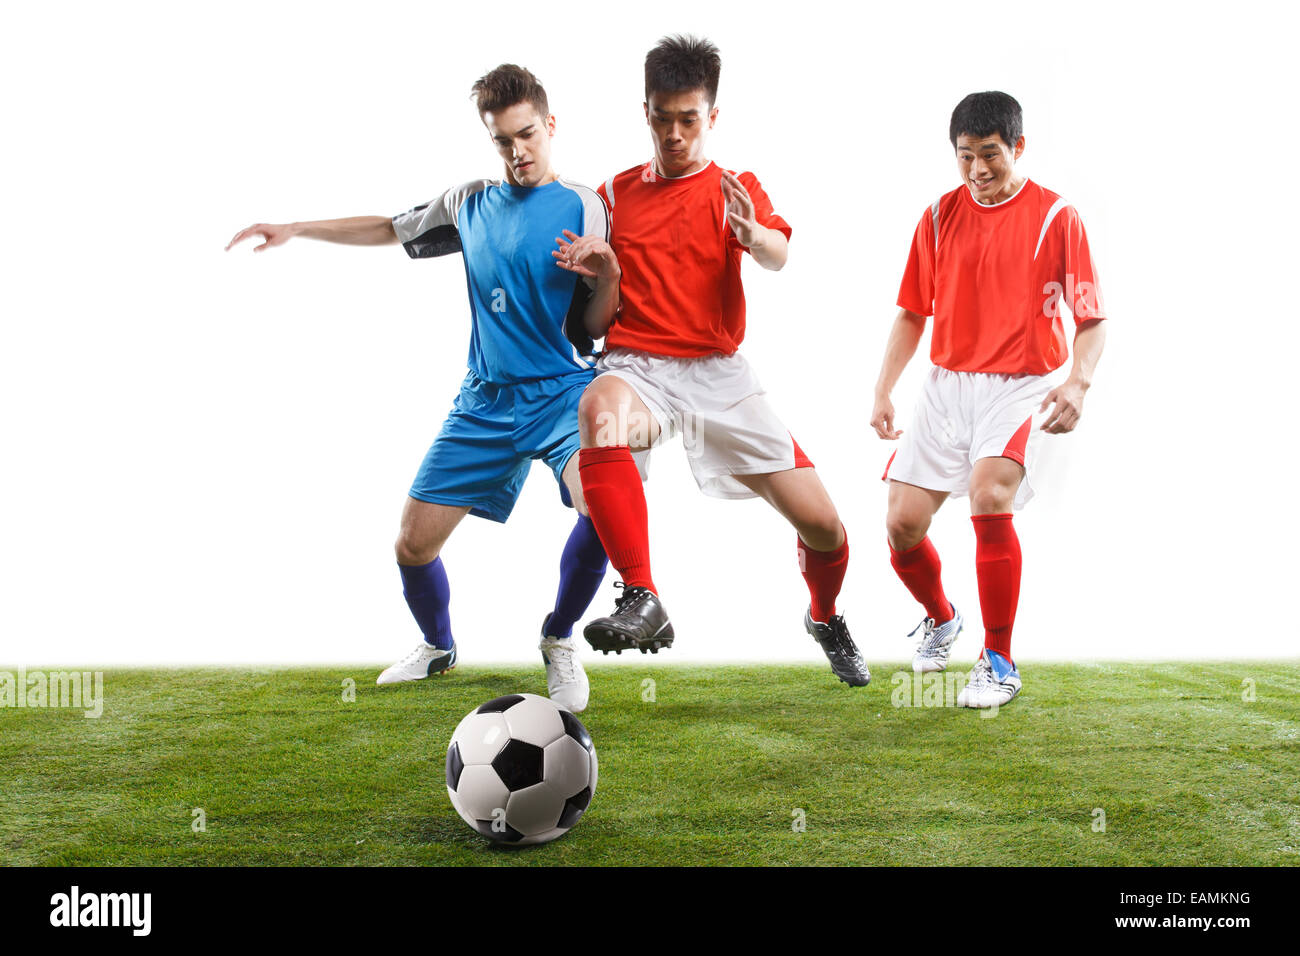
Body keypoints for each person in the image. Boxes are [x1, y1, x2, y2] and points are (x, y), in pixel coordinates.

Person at [225, 65, 619, 712]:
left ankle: (558, 638)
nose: (517, 152)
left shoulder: (584, 204)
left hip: (560, 394)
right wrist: (297, 228)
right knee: (412, 545)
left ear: (551, 126)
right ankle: (438, 647)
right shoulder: (467, 203)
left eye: (527, 134)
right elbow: (387, 228)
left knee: (604, 506)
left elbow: (597, 324)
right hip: (485, 399)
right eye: (501, 140)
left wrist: (607, 276)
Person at [553, 35, 869, 686]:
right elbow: (592, 324)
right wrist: (604, 278)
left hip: (718, 377)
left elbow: (779, 251)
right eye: (662, 117)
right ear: (646, 111)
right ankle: (642, 595)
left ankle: (825, 615)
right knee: (598, 408)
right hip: (639, 368)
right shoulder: (614, 194)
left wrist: (756, 237)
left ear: (712, 117)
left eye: (688, 119)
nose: (674, 134)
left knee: (825, 527)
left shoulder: (734, 187)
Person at [871, 90, 1108, 708]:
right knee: (900, 524)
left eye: (991, 156)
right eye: (966, 156)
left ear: (1018, 148)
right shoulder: (937, 217)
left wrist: (1077, 381)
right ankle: (942, 617)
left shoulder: (1057, 217)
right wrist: (884, 388)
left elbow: (1092, 318)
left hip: (1022, 384)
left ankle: (999, 657)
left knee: (988, 494)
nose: (978, 170)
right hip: (948, 386)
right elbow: (911, 311)